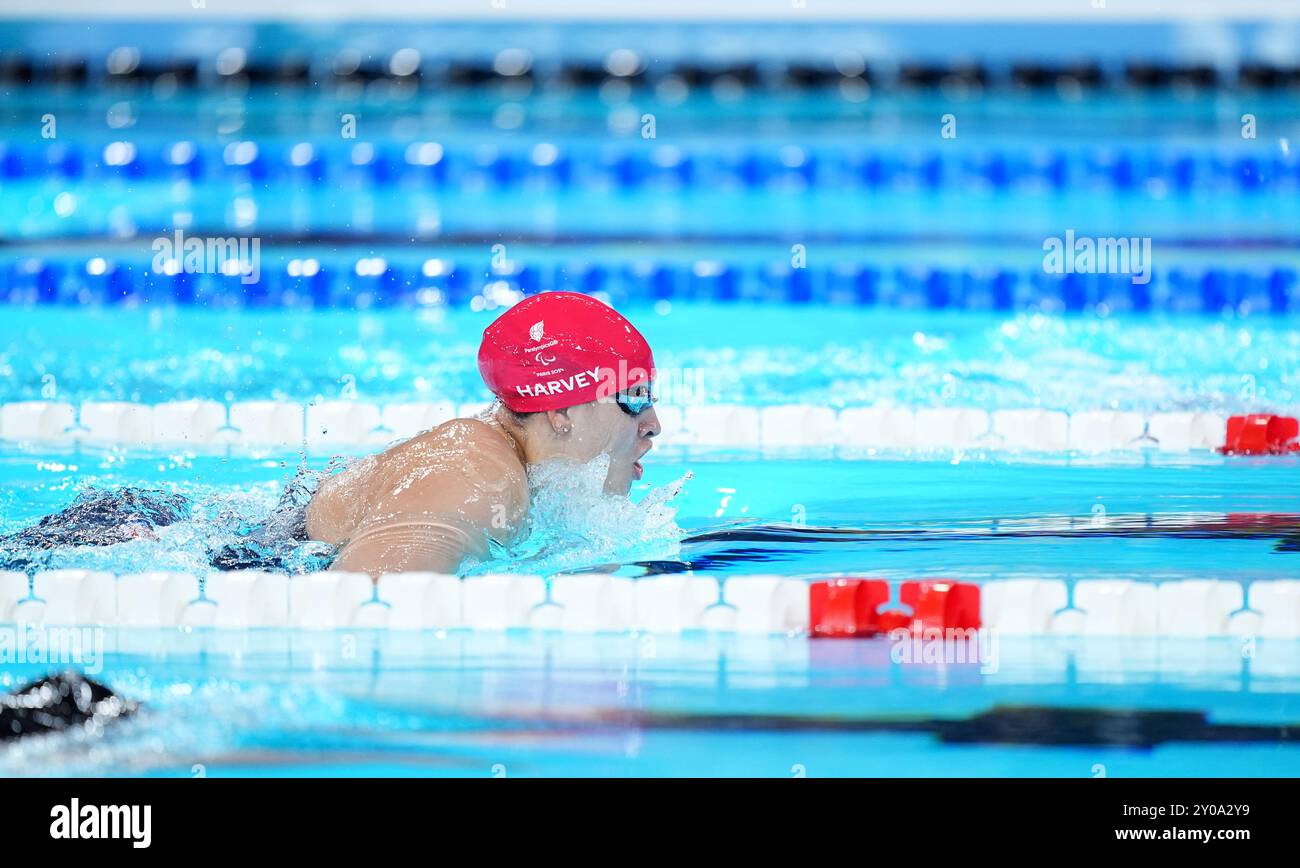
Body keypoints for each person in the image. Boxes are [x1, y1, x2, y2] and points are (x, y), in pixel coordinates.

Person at [304, 291, 662, 579]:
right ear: (561, 412)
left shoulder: (512, 470)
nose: (653, 424)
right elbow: (369, 604)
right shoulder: (475, 478)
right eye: (634, 397)